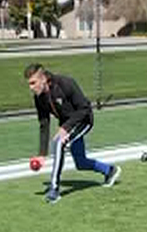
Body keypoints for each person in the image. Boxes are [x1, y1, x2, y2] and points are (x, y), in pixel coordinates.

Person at [27, 62, 121, 205]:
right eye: (29, 84)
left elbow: (84, 109)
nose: (31, 88)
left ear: (43, 78)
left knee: (59, 143)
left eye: (33, 83)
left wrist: (65, 128)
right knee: (81, 163)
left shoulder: (65, 83)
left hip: (84, 120)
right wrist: (41, 154)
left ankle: (54, 189)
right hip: (68, 125)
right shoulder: (39, 98)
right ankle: (109, 170)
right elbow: (44, 124)